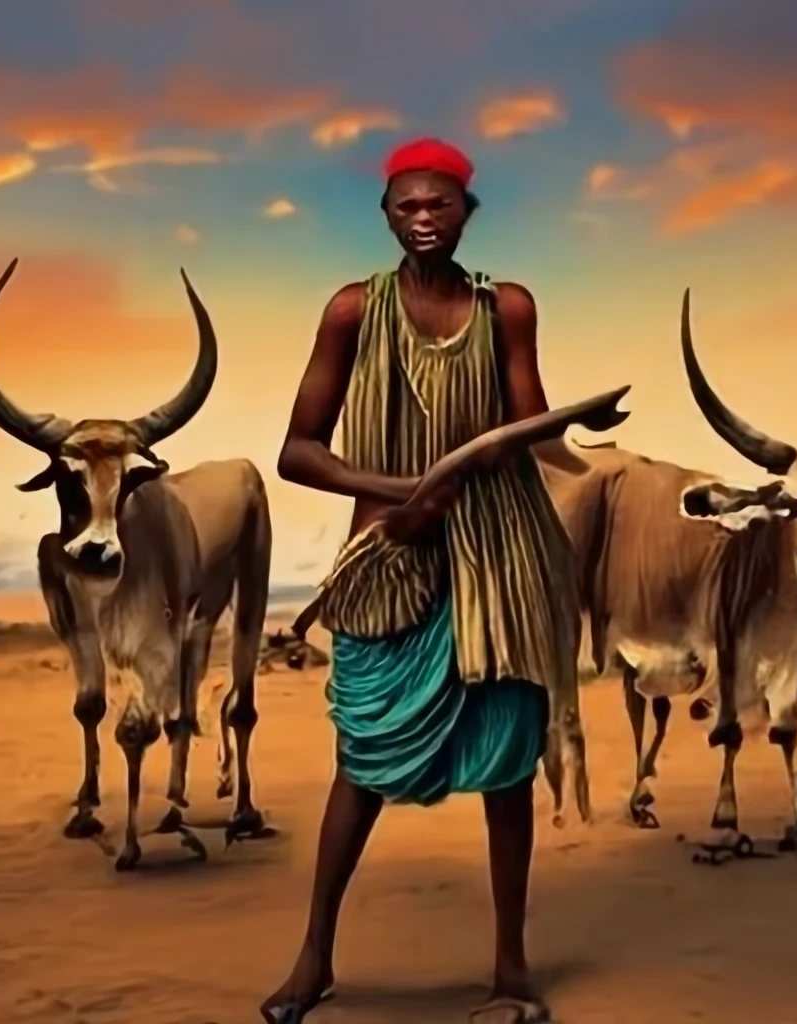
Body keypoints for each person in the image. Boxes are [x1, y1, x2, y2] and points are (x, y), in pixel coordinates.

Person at [261, 137, 600, 1024]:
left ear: (464, 213)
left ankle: (511, 967)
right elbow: (297, 452)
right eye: (406, 207)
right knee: (360, 755)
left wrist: (576, 434)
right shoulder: (349, 313)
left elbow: (531, 428)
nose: (422, 219)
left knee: (507, 764)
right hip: (390, 561)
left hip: (500, 560)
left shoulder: (508, 308)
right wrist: (399, 495)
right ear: (385, 216)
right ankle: (313, 957)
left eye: (438, 205)